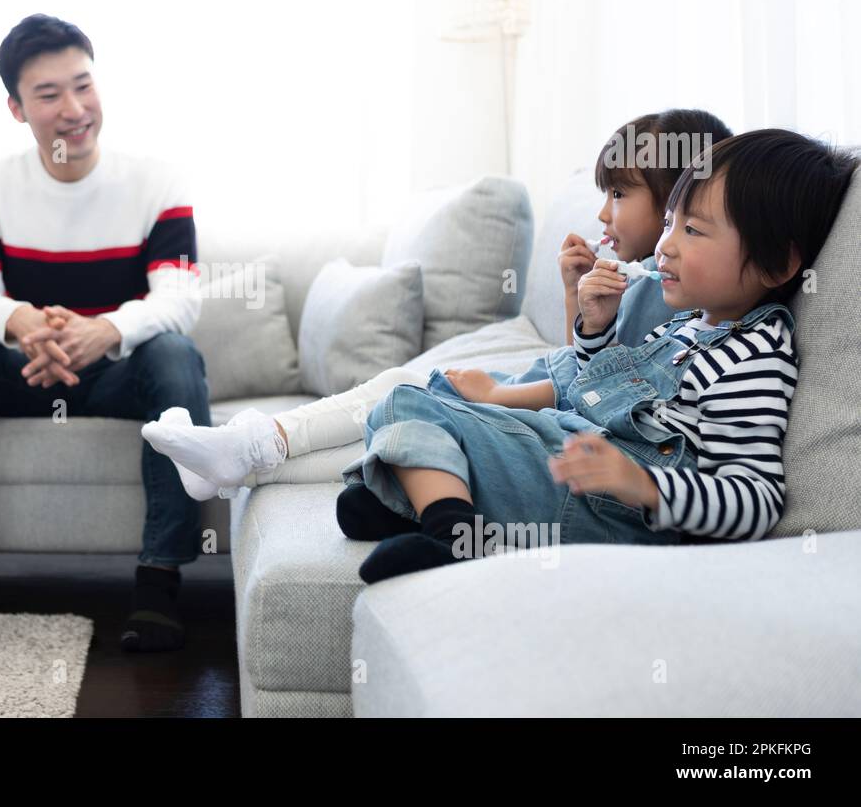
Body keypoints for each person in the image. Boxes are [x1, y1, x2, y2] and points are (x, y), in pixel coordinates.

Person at [141, 109, 733, 542]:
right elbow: (597, 366)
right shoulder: (640, 279)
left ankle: (244, 452)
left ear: (679, 202)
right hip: (543, 376)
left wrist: (506, 392)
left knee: (402, 400)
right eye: (604, 193)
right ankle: (243, 452)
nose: (602, 213)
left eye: (621, 194)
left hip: (545, 393)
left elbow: (598, 394)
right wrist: (574, 299)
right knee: (395, 396)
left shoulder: (679, 292)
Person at [345, 128, 856, 582]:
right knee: (419, 395)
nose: (666, 247)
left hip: (617, 511)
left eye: (693, 231)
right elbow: (598, 390)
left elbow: (756, 498)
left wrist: (645, 484)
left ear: (776, 264)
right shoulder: (689, 324)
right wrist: (596, 327)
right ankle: (432, 504)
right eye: (670, 224)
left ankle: (448, 535)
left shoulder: (754, 356)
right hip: (584, 456)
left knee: (405, 405)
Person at [0, 14, 210, 652]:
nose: (74, 109)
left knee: (177, 357)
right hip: (27, 367)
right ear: (16, 108)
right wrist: (25, 323)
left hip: (116, 371)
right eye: (49, 95)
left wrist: (104, 331)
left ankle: (158, 585)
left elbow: (178, 297)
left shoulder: (158, 181)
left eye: (84, 85)